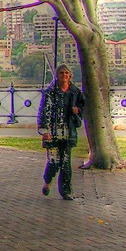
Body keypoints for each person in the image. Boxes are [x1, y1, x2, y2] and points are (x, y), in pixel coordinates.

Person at [38, 64, 86, 200]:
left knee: (65, 162)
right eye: (61, 73)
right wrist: (45, 130)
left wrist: (78, 112)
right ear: (57, 76)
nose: (64, 76)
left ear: (69, 75)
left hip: (67, 132)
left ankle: (66, 191)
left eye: (66, 73)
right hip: (53, 132)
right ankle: (47, 181)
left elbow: (83, 106)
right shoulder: (50, 92)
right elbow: (44, 112)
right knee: (54, 161)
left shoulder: (74, 92)